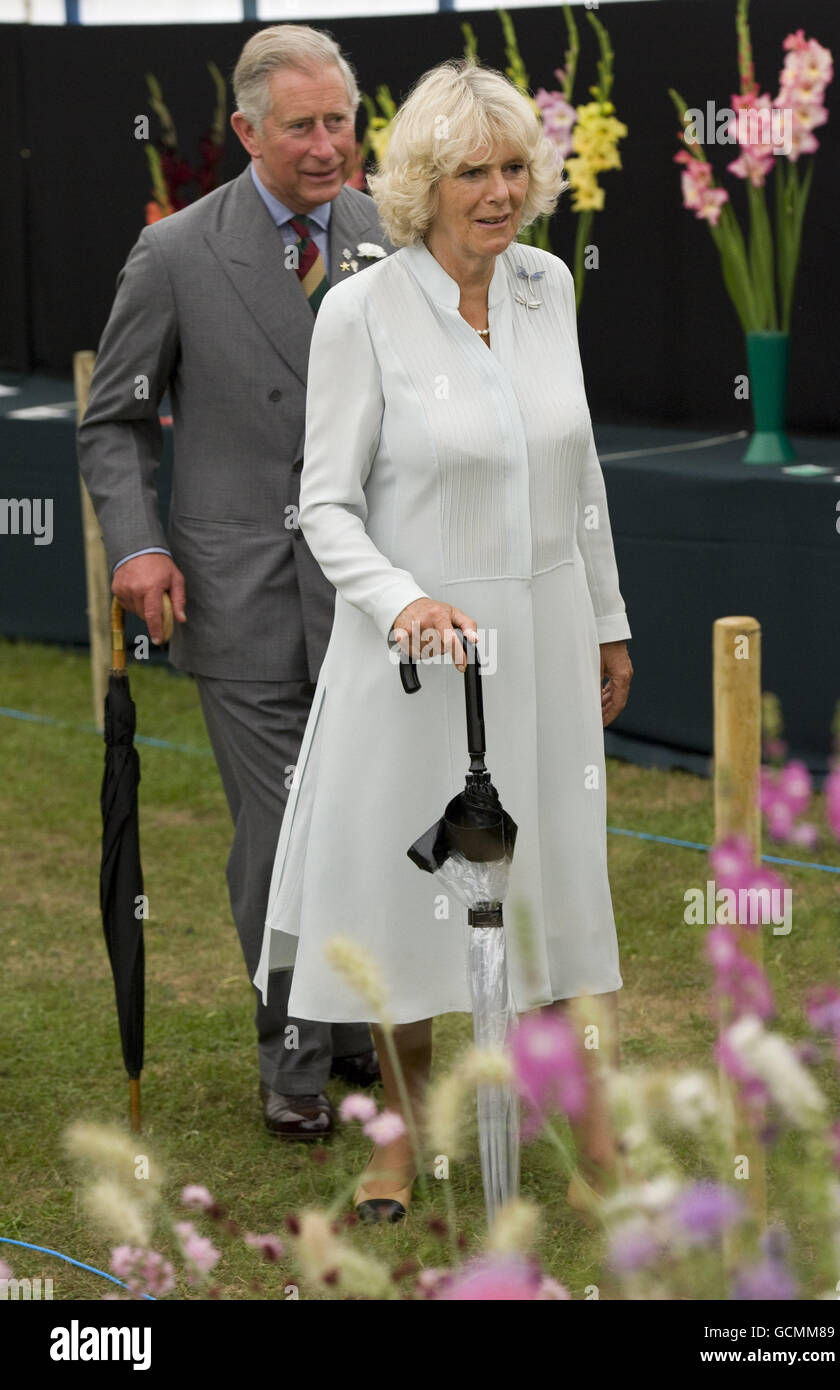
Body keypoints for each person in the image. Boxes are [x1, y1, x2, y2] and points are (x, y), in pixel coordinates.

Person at [254, 58, 634, 1220]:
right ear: (423, 182)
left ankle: (597, 1149)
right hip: (417, 655)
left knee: (559, 890)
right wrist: (401, 600)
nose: (500, 190)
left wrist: (608, 621)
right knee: (411, 907)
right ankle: (401, 1146)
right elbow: (324, 502)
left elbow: (579, 478)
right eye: (473, 169)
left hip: (550, 637)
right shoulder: (360, 312)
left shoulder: (546, 287)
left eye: (516, 166)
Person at [78, 25, 394, 1140]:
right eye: (302, 126)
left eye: (340, 122)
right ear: (247, 131)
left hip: (367, 592)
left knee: (361, 812)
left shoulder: (384, 231)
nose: (326, 146)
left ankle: (354, 1028)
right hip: (240, 590)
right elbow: (112, 421)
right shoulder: (173, 253)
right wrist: (137, 545)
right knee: (282, 823)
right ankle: (294, 1058)